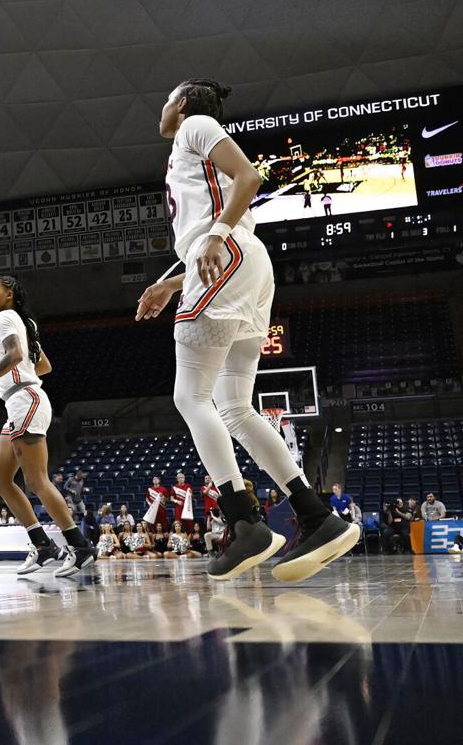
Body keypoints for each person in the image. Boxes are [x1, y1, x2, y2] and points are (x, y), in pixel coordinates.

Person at [135, 79, 358, 582]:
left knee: (191, 398)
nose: (163, 106)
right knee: (235, 407)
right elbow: (224, 222)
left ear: (185, 102)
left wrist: (212, 239)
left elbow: (249, 177)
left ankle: (244, 522)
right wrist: (173, 283)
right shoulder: (187, 152)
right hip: (243, 263)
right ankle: (317, 516)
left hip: (225, 256)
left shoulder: (195, 124)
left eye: (167, 97)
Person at [0, 275, 92, 578]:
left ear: (10, 294)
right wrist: (1, 380)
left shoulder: (4, 317)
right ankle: (42, 545)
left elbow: (15, 356)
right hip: (20, 401)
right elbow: (42, 365)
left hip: (26, 401)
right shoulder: (24, 323)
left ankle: (80, 546)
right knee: (0, 480)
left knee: (37, 481)